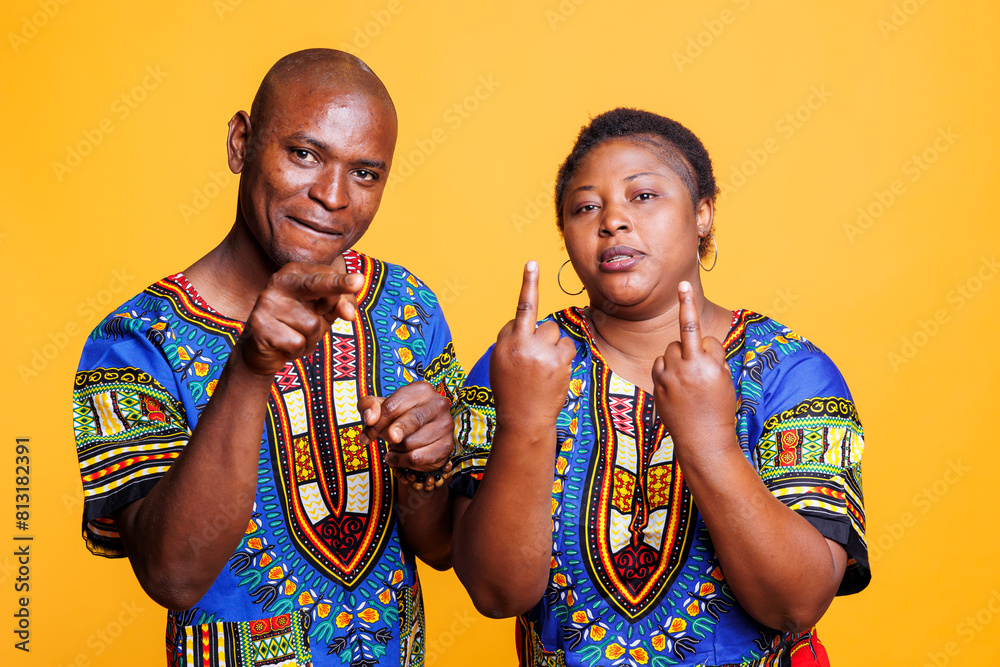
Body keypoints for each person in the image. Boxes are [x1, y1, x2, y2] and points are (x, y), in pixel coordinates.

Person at [71, 49, 464, 667]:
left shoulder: (408, 308)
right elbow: (172, 576)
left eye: (365, 173)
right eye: (305, 154)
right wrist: (250, 368)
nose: (333, 196)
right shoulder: (133, 340)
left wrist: (427, 464)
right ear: (241, 143)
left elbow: (440, 546)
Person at [450, 108, 869, 666]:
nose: (613, 221)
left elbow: (796, 603)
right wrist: (526, 421)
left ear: (702, 214)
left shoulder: (790, 371)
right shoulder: (524, 363)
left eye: (642, 196)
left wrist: (710, 442)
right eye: (586, 207)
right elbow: (497, 593)